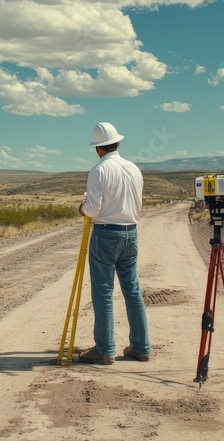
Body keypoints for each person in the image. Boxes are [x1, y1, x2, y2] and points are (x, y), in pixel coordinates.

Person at [77, 122, 150, 365]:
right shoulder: (134, 168)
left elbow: (92, 209)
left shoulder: (98, 171)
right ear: (118, 143)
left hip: (106, 234)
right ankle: (141, 347)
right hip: (131, 232)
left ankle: (105, 349)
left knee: (103, 292)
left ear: (98, 148)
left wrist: (81, 208)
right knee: (132, 290)